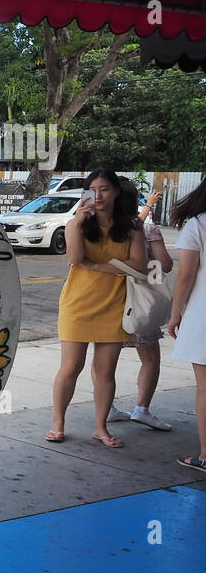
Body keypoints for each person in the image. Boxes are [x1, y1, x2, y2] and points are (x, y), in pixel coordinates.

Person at [48, 169, 147, 448]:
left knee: (106, 371)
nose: (99, 195)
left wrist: (96, 267)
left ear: (116, 191)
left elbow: (139, 266)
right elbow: (76, 258)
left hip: (115, 305)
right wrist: (78, 221)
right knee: (71, 366)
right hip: (77, 304)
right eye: (93, 189)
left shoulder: (131, 227)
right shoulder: (75, 224)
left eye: (105, 189)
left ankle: (100, 427)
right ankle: (58, 422)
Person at [108, 183, 173, 431]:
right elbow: (165, 265)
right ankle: (142, 409)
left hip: (109, 301)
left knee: (105, 360)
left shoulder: (102, 228)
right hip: (139, 304)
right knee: (150, 358)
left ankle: (107, 407)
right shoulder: (146, 227)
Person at [167, 181, 206, 472]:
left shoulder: (197, 225)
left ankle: (205, 456)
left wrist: (175, 313)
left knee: (205, 388)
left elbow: (186, 276)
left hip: (202, 317)